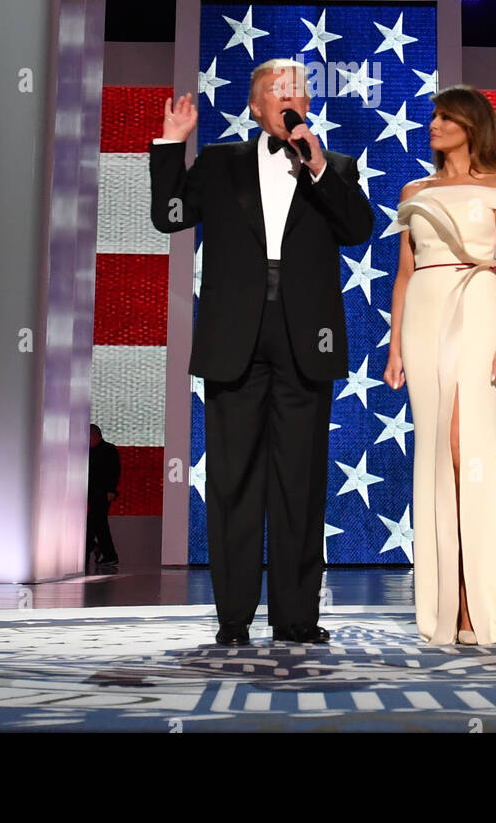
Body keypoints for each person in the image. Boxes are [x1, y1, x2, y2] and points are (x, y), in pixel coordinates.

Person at [150, 59, 374, 646]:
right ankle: (233, 616)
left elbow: (358, 229)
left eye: (296, 91)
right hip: (234, 336)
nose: (287, 98)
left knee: (299, 481)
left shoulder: (335, 168)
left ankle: (297, 614)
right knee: (234, 479)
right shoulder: (221, 164)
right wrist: (172, 145)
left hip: (307, 338)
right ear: (254, 107)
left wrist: (319, 165)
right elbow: (167, 215)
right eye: (275, 92)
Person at [384, 85, 496, 647]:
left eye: (446, 117)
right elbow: (404, 274)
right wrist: (395, 345)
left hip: (477, 306)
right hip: (423, 312)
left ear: (472, 125)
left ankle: (479, 603)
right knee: (434, 452)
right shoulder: (414, 190)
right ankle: (446, 609)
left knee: (463, 446)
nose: (434, 125)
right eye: (433, 117)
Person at [86, 423, 121, 573]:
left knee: (96, 523)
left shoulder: (109, 450)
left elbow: (114, 472)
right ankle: (101, 552)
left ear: (95, 436)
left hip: (103, 494)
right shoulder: (87, 452)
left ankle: (103, 553)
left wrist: (111, 491)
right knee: (96, 524)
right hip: (90, 493)